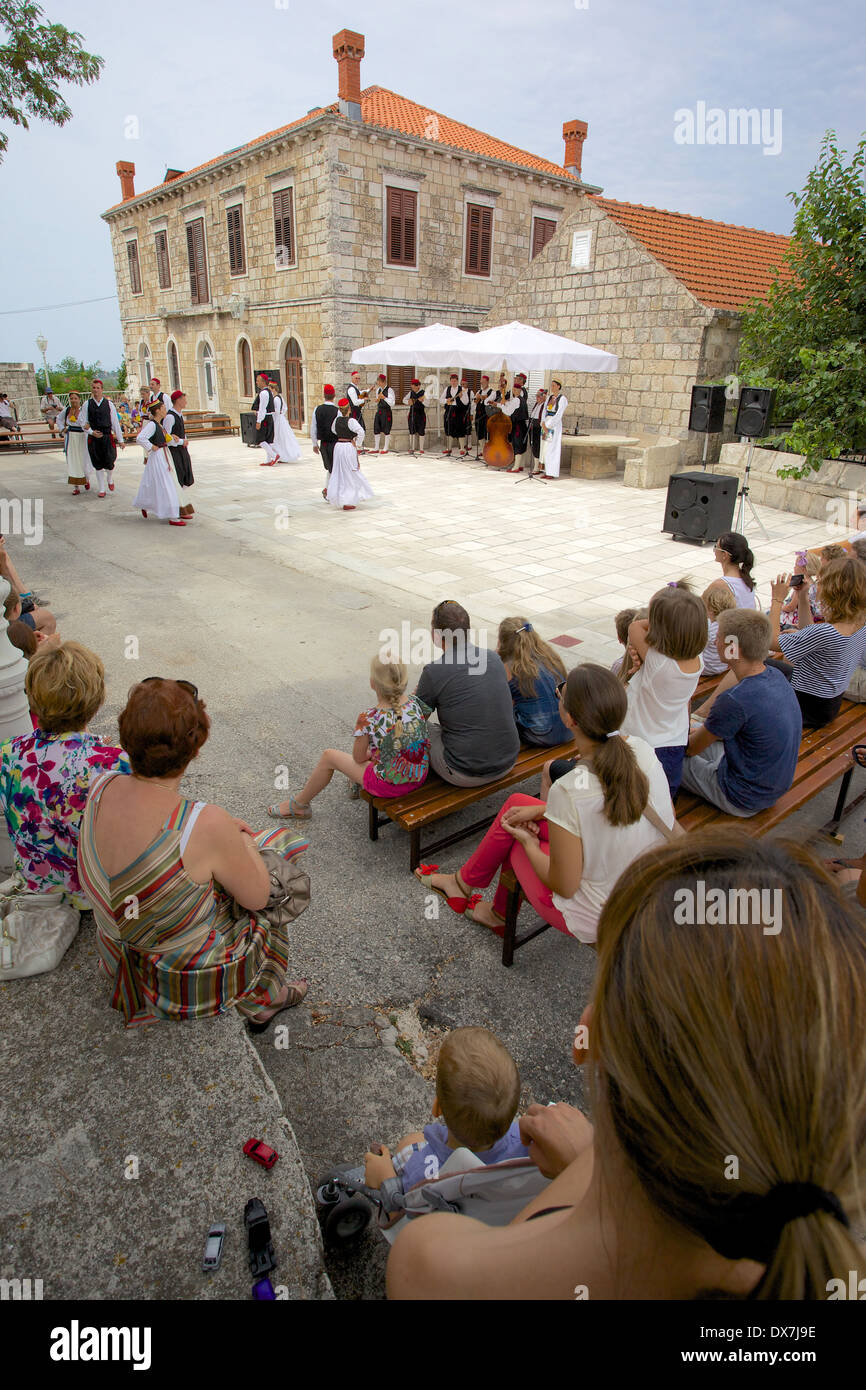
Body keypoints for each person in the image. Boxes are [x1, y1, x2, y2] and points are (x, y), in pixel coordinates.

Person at [390, 830, 866, 1300]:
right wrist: (587, 1160)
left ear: (586, 1039)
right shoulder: (807, 1257)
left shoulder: (433, 1268)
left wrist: (590, 1165)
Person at [77, 677, 310, 1030]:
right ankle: (265, 998)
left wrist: (217, 830)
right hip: (173, 978)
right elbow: (258, 897)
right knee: (274, 878)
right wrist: (240, 840)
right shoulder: (205, 823)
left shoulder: (100, 785)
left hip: (115, 952)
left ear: (126, 737)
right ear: (196, 748)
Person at [416, 664, 676, 945]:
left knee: (513, 832)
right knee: (517, 804)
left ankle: (493, 910)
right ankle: (469, 890)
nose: (557, 695)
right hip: (644, 882)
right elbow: (642, 813)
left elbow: (564, 885)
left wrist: (528, 842)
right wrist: (543, 810)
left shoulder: (568, 791)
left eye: (560, 693)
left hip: (602, 913)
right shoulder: (642, 749)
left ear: (570, 719)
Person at [0, 642, 129, 908]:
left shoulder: (8, 753)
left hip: (36, 883)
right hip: (93, 894)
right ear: (96, 698)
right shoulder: (115, 763)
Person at [364, 1028, 529, 1205]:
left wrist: (385, 1178)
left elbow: (406, 1209)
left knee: (407, 1143)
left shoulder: (423, 1171)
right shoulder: (525, 1142)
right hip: (489, 1210)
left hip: (433, 1218)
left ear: (437, 1108)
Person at [267, 657, 431, 819]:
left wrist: (370, 753)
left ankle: (299, 805)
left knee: (328, 756)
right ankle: (355, 781)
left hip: (389, 786)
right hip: (418, 776)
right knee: (383, 746)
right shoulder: (415, 703)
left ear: (372, 683)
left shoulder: (368, 718)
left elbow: (358, 758)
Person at [681, 610, 802, 815]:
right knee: (700, 734)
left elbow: (690, 749)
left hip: (741, 796)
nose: (715, 641)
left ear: (732, 648)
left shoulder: (734, 700)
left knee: (662, 754)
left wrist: (683, 699)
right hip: (771, 786)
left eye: (718, 637)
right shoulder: (776, 675)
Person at [415, 601, 520, 788]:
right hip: (508, 760)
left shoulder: (434, 671)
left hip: (464, 771)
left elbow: (415, 720)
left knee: (420, 728)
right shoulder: (494, 658)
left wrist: (413, 697)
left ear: (436, 635)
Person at [620, 581, 706, 796]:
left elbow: (634, 626)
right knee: (665, 794)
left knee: (638, 794)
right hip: (673, 740)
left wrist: (658, 617)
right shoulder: (697, 659)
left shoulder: (660, 664)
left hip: (643, 742)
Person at [771, 556, 866, 728]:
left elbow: (770, 641)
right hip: (827, 706)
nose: (817, 585)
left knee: (750, 661)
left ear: (832, 590)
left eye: (820, 581)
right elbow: (810, 632)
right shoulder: (859, 623)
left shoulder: (826, 632)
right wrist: (802, 597)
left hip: (803, 707)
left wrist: (776, 600)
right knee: (776, 667)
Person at [497, 617, 570, 746]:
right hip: (568, 729)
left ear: (503, 642)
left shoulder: (510, 667)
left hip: (541, 734)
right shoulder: (550, 657)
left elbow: (500, 700)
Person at [134, 401, 186, 526]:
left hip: (163, 456)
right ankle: (173, 516)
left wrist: (181, 441)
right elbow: (140, 438)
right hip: (158, 457)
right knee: (167, 483)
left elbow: (168, 440)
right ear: (157, 410)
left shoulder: (159, 425)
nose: (165, 409)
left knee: (152, 483)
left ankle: (145, 504)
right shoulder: (152, 425)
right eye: (163, 408)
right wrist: (151, 446)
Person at [325, 397, 374, 510]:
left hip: (338, 447)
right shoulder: (351, 421)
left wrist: (342, 435)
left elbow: (333, 430)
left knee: (340, 472)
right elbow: (361, 431)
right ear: (349, 409)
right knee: (350, 471)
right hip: (348, 447)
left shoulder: (336, 420)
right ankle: (349, 499)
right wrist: (356, 442)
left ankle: (342, 497)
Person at [80, 378, 125, 497]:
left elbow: (115, 422)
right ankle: (102, 488)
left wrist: (121, 440)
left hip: (107, 436)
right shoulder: (87, 404)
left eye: (98, 388)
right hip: (94, 438)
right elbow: (82, 422)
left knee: (110, 462)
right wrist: (90, 431)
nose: (95, 390)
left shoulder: (109, 404)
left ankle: (110, 478)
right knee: (97, 463)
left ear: (102, 389)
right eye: (93, 388)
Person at [163, 390, 195, 517]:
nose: (186, 401)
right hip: (175, 452)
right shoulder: (170, 417)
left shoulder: (179, 415)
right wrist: (181, 441)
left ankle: (179, 506)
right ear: (178, 400)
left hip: (182, 450)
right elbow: (167, 438)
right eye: (184, 398)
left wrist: (183, 440)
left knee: (186, 476)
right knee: (178, 479)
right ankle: (178, 508)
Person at [57, 390, 93, 495]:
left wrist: (89, 426)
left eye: (75, 398)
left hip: (82, 436)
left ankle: (86, 479)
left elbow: (89, 421)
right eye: (71, 398)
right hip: (71, 436)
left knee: (83, 459)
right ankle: (76, 486)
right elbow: (58, 419)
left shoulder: (83, 410)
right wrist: (62, 429)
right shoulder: (67, 410)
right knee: (72, 460)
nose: (73, 400)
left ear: (79, 399)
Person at [713, 531, 759, 609]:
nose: (714, 550)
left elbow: (700, 609)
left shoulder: (721, 584)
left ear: (725, 554)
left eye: (716, 547)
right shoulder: (746, 579)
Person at [700, 580, 737, 675]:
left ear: (711, 610)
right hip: (723, 666)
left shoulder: (709, 627)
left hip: (707, 669)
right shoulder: (731, 624)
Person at [537, 380, 568, 479]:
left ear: (559, 386)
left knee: (552, 448)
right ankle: (546, 471)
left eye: (554, 385)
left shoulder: (562, 399)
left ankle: (552, 472)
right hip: (546, 423)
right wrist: (543, 423)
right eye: (551, 385)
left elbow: (558, 414)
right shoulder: (549, 398)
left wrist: (548, 425)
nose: (552, 387)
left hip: (554, 425)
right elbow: (544, 411)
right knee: (544, 447)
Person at [269, 378, 302, 464]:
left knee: (280, 437)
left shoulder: (276, 399)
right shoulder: (280, 397)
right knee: (280, 438)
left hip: (278, 420)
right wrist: (281, 413)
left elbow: (277, 410)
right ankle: (280, 455)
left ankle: (283, 455)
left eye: (270, 389)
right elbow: (285, 408)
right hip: (280, 418)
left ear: (273, 389)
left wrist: (275, 413)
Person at [311, 384, 338, 476]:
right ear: (334, 395)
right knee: (334, 467)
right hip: (335, 443)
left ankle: (328, 487)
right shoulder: (337, 411)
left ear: (324, 395)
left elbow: (313, 427)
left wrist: (314, 444)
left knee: (329, 467)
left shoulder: (317, 409)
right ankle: (330, 487)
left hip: (324, 443)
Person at [252, 372, 278, 466]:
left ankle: (274, 456)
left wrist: (259, 421)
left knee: (260, 439)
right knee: (268, 440)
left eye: (258, 381)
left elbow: (262, 408)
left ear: (263, 382)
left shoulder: (263, 393)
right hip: (269, 417)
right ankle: (268, 459)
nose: (256, 383)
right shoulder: (269, 392)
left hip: (265, 418)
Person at [440, 374, 468, 457]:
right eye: (452, 381)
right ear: (450, 381)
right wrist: (446, 400)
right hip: (449, 411)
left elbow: (466, 402)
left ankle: (462, 448)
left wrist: (462, 397)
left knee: (460, 429)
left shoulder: (462, 389)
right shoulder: (447, 389)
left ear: (457, 381)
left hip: (459, 412)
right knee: (449, 429)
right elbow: (440, 400)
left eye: (455, 381)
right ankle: (449, 448)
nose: (453, 382)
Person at [505, 383, 530, 473]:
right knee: (521, 444)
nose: (514, 391)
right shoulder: (522, 400)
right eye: (513, 389)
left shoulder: (516, 400)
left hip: (518, 425)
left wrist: (501, 405)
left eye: (516, 389)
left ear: (519, 391)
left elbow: (508, 411)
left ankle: (516, 467)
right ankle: (521, 465)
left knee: (517, 444)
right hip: (522, 425)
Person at [372, 375, 396, 454]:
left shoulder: (390, 390)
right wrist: (378, 400)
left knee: (386, 429)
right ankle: (376, 447)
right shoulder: (378, 390)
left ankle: (386, 447)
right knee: (376, 428)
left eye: (379, 382)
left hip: (386, 411)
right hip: (379, 411)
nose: (378, 383)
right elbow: (378, 400)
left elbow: (392, 403)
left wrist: (384, 398)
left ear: (383, 382)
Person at [403, 379, 426, 457]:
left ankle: (421, 449)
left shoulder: (423, 393)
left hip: (421, 414)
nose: (414, 387)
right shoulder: (410, 393)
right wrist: (408, 402)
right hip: (412, 414)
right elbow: (404, 400)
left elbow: (428, 403)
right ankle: (412, 448)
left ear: (419, 386)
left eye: (415, 385)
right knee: (411, 430)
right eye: (413, 385)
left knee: (421, 430)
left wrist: (423, 401)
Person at [528, 387, 548, 474]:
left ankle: (537, 467)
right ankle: (536, 466)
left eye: (539, 396)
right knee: (533, 446)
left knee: (538, 447)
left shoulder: (545, 405)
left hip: (538, 427)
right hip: (533, 426)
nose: (537, 398)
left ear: (544, 397)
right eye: (537, 396)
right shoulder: (537, 404)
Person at [346, 370, 369, 444]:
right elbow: (355, 402)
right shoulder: (352, 389)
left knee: (360, 429)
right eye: (356, 378)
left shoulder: (355, 387)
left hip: (356, 412)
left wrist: (368, 390)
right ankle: (356, 446)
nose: (357, 380)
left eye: (359, 378)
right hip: (354, 412)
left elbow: (360, 392)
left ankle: (357, 445)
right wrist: (364, 400)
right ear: (352, 378)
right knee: (357, 430)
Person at [472, 376, 492, 459]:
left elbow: (488, 401)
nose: (482, 384)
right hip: (478, 415)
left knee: (486, 433)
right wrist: (476, 399)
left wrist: (482, 397)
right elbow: (474, 402)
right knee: (479, 432)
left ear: (487, 382)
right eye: (481, 382)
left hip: (486, 415)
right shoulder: (479, 391)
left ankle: (487, 451)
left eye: (483, 382)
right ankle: (483, 449)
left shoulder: (492, 391)